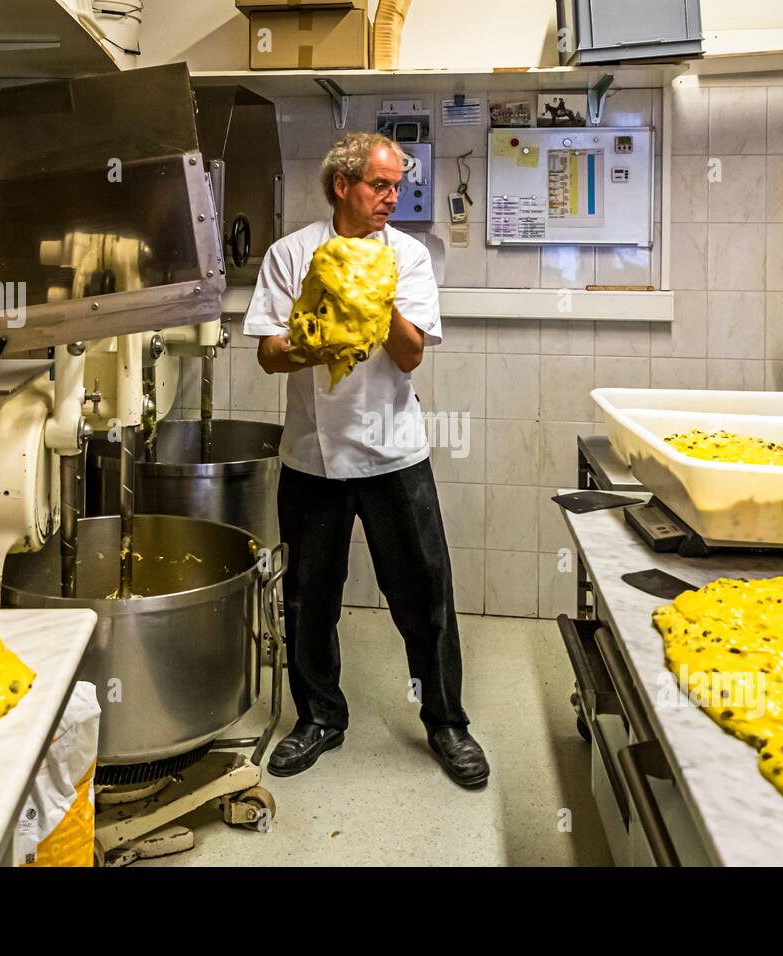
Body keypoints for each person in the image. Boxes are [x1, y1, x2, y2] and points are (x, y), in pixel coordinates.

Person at [242, 132, 489, 788]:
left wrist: (367, 300)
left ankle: (446, 722)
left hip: (394, 455)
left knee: (424, 594)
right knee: (308, 599)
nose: (393, 196)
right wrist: (318, 333)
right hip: (311, 457)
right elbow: (268, 353)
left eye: (397, 184)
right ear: (342, 186)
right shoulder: (291, 254)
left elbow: (410, 356)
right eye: (380, 184)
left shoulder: (407, 257)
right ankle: (320, 717)